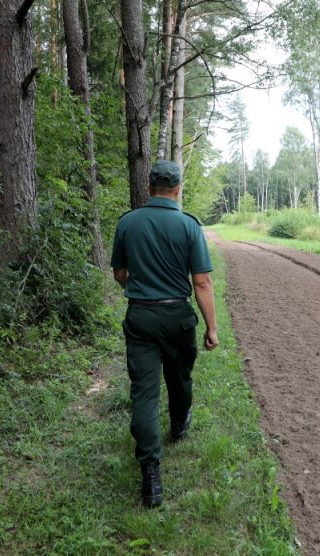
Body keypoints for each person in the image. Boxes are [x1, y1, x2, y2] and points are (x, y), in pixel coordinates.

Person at [110, 160, 219, 508]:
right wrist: (212, 327)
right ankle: (178, 426)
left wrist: (140, 285)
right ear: (178, 188)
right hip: (178, 317)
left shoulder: (128, 222)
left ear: (149, 186)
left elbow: (119, 273)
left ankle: (151, 475)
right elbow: (201, 281)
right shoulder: (189, 226)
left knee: (144, 394)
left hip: (140, 317)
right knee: (180, 378)